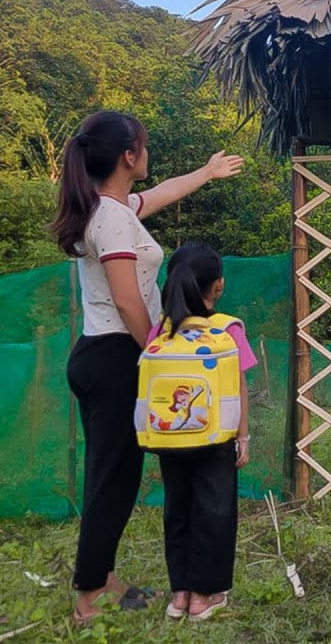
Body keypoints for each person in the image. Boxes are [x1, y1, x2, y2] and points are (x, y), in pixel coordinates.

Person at [49, 111, 243, 623]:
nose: (149, 155)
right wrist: (160, 352)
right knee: (112, 480)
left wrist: (206, 172)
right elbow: (128, 297)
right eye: (145, 146)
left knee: (114, 475)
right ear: (129, 156)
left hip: (105, 354)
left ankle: (102, 577)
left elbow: (164, 195)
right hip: (116, 356)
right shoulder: (110, 218)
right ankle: (89, 597)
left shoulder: (114, 208)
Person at [150, 243, 254, 622]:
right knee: (215, 511)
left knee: (177, 508)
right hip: (215, 440)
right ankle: (204, 596)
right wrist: (243, 436)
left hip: (169, 437)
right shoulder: (228, 329)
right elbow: (239, 386)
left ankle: (179, 594)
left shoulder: (160, 330)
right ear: (219, 286)